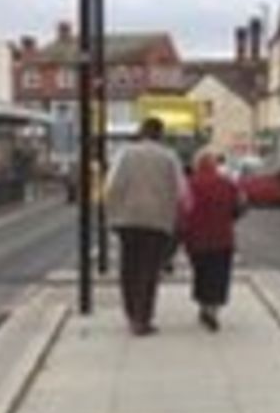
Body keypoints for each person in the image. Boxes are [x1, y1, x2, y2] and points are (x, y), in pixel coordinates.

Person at [104, 117, 186, 335]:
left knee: (128, 268)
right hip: (157, 221)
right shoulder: (169, 157)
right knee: (149, 270)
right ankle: (143, 317)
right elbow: (182, 192)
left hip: (126, 220)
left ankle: (130, 313)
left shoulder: (124, 154)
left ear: (141, 132)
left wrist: (112, 213)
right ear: (161, 134)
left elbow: (111, 186)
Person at [179, 147, 244, 331]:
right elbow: (240, 205)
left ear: (197, 165)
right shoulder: (228, 183)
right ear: (214, 165)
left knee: (201, 272)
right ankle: (213, 308)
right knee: (219, 274)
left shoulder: (190, 184)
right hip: (222, 238)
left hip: (196, 238)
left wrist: (183, 231)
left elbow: (183, 209)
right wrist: (230, 217)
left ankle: (203, 305)